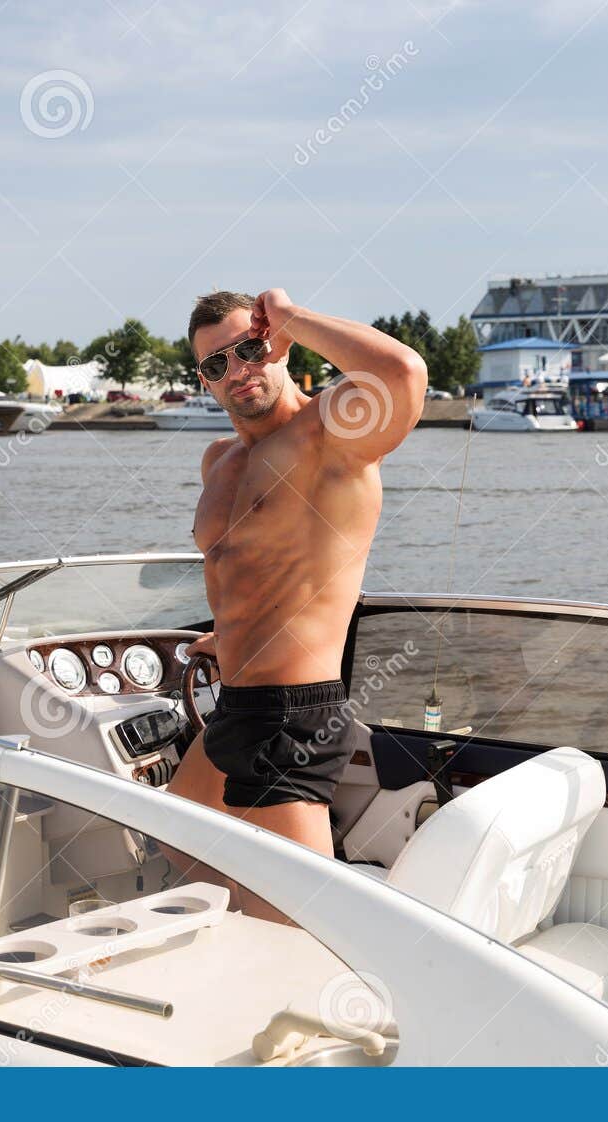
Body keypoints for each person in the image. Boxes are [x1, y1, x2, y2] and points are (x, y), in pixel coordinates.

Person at [168, 288, 427, 862]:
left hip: (292, 715)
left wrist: (291, 316)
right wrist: (227, 637)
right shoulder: (219, 461)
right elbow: (252, 568)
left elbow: (402, 372)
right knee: (180, 852)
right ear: (204, 380)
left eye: (249, 349)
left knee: (296, 907)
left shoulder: (331, 435)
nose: (237, 371)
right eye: (216, 365)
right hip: (233, 706)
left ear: (279, 346)